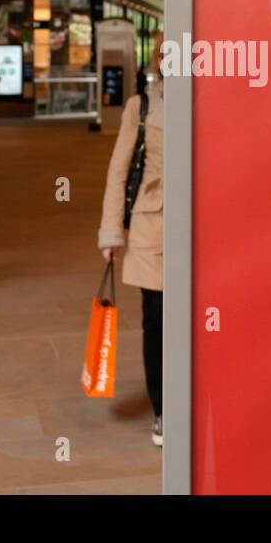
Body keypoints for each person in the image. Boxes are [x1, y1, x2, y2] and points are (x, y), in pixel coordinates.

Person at [99, 47, 164, 446]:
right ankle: (164, 409)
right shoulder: (139, 108)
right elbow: (119, 171)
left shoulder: (216, 100)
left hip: (205, 229)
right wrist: (111, 231)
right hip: (151, 227)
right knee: (157, 321)